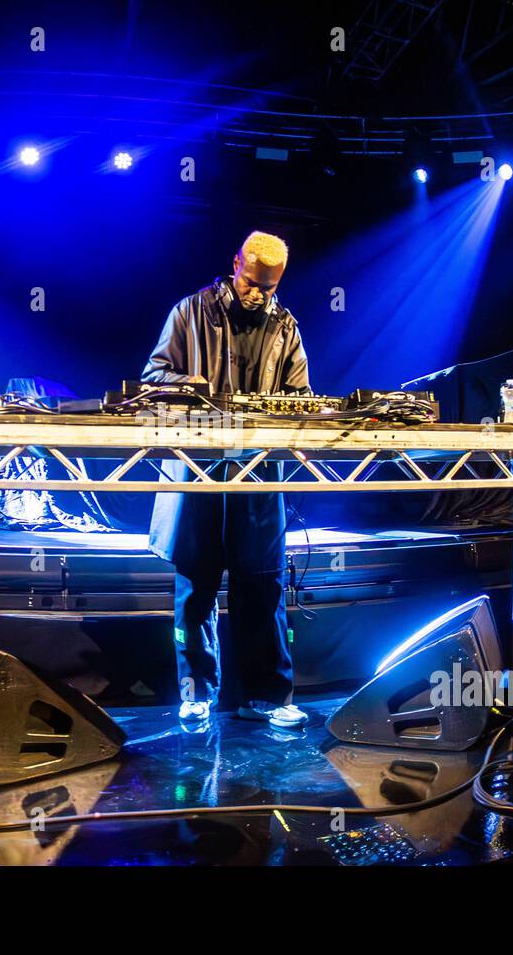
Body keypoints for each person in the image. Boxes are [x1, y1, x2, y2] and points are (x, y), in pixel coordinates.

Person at [141, 231, 313, 729]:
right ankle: (196, 692)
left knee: (262, 586)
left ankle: (268, 696)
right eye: (253, 282)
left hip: (257, 473)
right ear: (235, 262)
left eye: (270, 287)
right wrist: (192, 388)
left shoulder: (286, 327)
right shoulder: (189, 312)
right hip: (197, 469)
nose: (260, 295)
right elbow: (153, 376)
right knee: (195, 589)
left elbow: (299, 395)